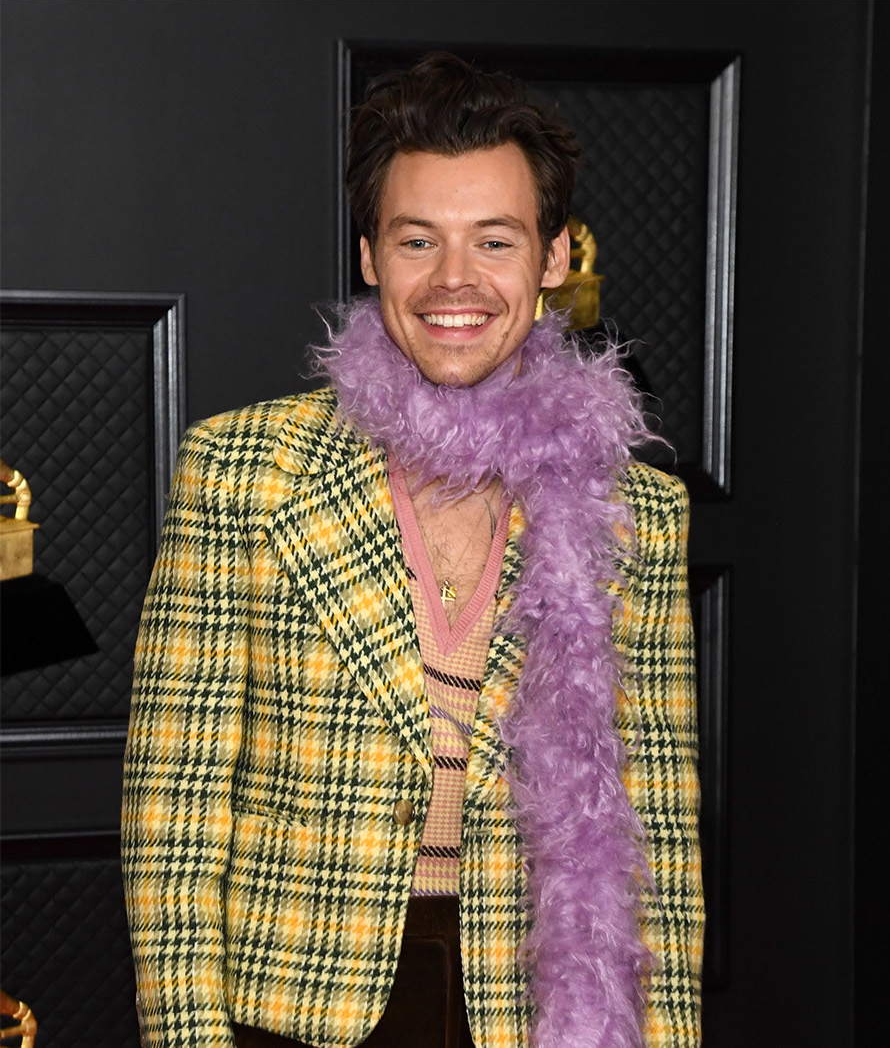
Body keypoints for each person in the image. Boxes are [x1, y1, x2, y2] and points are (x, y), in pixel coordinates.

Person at [121, 52, 701, 1048]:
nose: (454, 280)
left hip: (525, 1011)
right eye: (418, 240)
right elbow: (171, 810)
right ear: (370, 256)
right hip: (295, 1006)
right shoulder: (242, 470)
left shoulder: (636, 510)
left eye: (495, 241)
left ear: (555, 259)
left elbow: (660, 832)